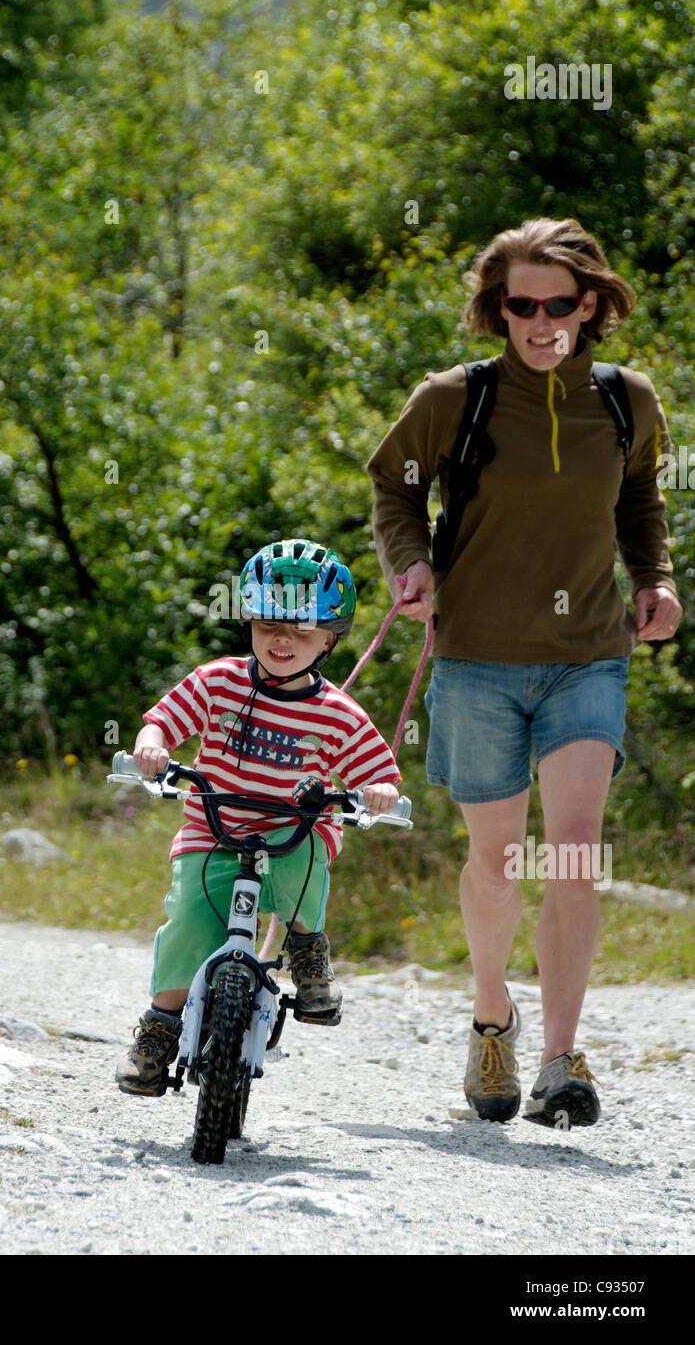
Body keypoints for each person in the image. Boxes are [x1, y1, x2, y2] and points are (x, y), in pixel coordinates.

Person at [367, 217, 681, 1127]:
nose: (540, 321)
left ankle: (560, 1058)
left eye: (557, 304)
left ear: (588, 305)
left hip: (587, 656)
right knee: (497, 862)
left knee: (574, 851)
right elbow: (394, 483)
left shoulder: (627, 399)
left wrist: (655, 579)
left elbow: (639, 499)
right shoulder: (452, 398)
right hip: (474, 659)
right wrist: (409, 562)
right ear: (496, 309)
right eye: (519, 305)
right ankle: (491, 1017)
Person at [115, 538, 401, 1095]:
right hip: (212, 831)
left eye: (301, 629)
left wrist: (379, 792)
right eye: (270, 624)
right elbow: (165, 721)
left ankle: (308, 954)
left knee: (309, 856)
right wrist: (152, 745)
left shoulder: (338, 713)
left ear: (329, 639)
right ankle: (158, 1031)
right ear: (248, 621)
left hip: (292, 832)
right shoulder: (220, 681)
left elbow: (377, 772)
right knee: (189, 923)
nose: (283, 639)